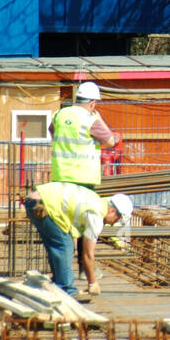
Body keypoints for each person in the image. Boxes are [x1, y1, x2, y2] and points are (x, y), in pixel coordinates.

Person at [49, 81, 121, 272]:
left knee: (63, 223)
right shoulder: (91, 119)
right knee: (83, 226)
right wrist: (98, 117)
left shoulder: (59, 115)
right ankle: (83, 268)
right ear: (92, 103)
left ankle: (61, 270)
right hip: (83, 180)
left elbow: (52, 133)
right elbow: (111, 141)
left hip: (61, 177)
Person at [22, 182, 133, 296]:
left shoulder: (95, 200)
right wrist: (92, 283)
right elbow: (88, 254)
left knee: (57, 245)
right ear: (112, 211)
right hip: (43, 204)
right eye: (117, 218)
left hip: (34, 202)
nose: (115, 222)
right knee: (64, 246)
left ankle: (58, 284)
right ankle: (66, 290)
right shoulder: (96, 215)